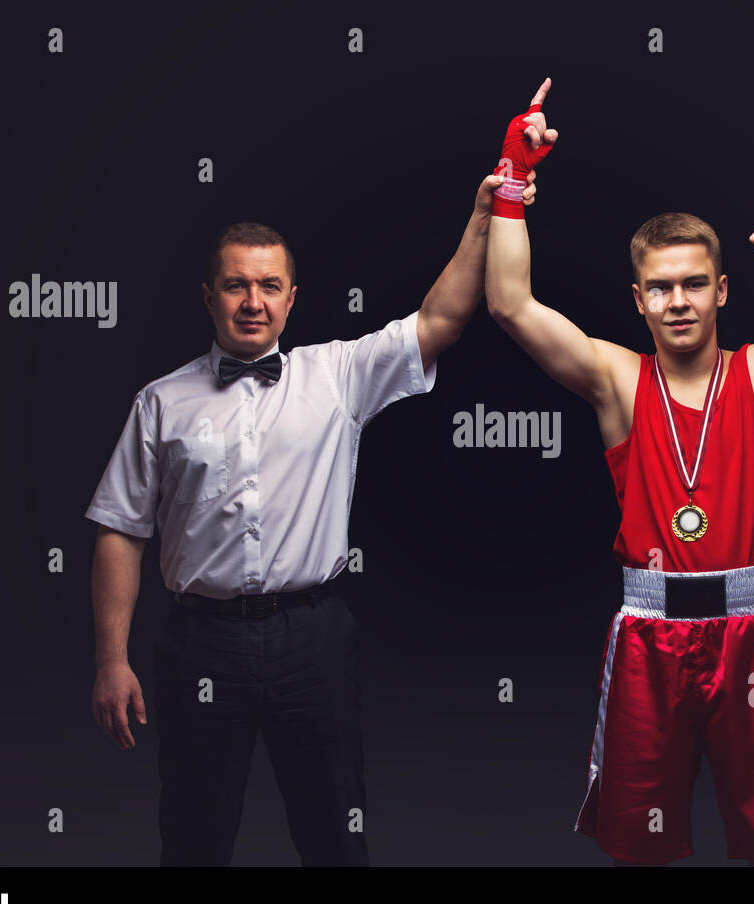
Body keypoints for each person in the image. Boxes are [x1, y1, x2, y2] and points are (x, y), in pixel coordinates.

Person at [484, 78, 754, 865]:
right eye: (661, 288)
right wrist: (512, 179)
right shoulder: (618, 379)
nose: (679, 301)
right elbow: (511, 304)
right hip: (649, 634)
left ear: (721, 289)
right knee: (640, 842)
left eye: (694, 284)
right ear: (639, 300)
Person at [86, 171, 538, 866]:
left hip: (313, 640)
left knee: (335, 836)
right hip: (201, 642)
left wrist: (486, 212)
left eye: (269, 286)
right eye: (236, 285)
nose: (252, 301)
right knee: (193, 840)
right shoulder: (160, 403)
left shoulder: (337, 375)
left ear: (292, 299)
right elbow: (121, 530)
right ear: (210, 298)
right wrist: (111, 660)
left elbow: (441, 319)